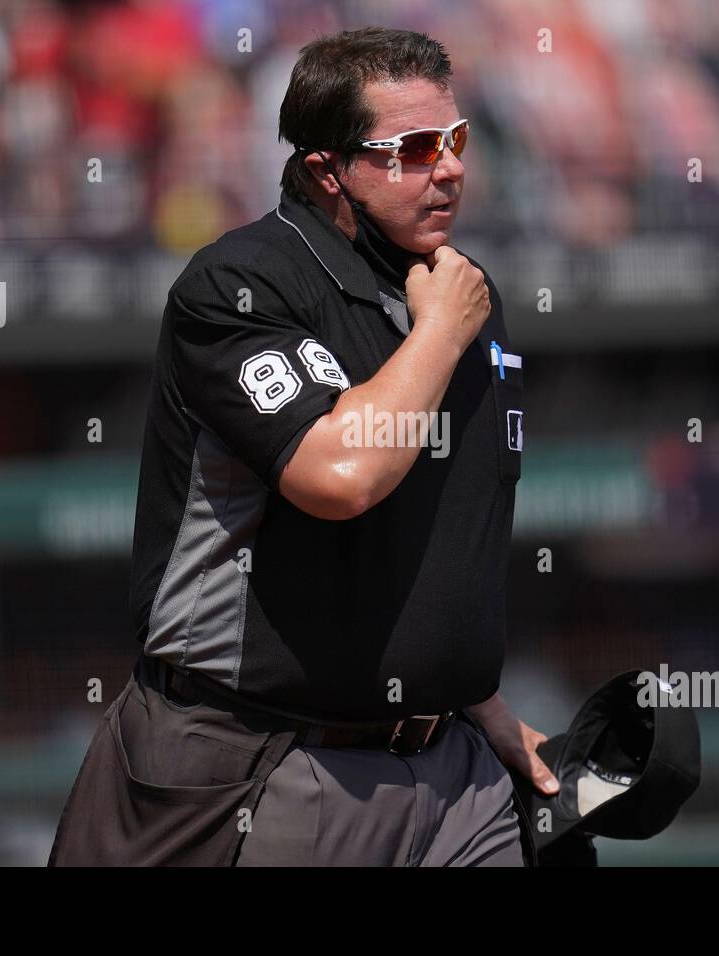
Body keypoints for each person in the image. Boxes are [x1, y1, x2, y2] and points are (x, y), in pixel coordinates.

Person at [48, 26, 559, 868]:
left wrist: (482, 702)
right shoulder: (243, 282)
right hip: (270, 760)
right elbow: (341, 476)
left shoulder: (457, 291)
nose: (452, 167)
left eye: (455, 139)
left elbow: (431, 542)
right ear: (329, 171)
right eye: (414, 148)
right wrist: (437, 335)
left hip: (455, 772)